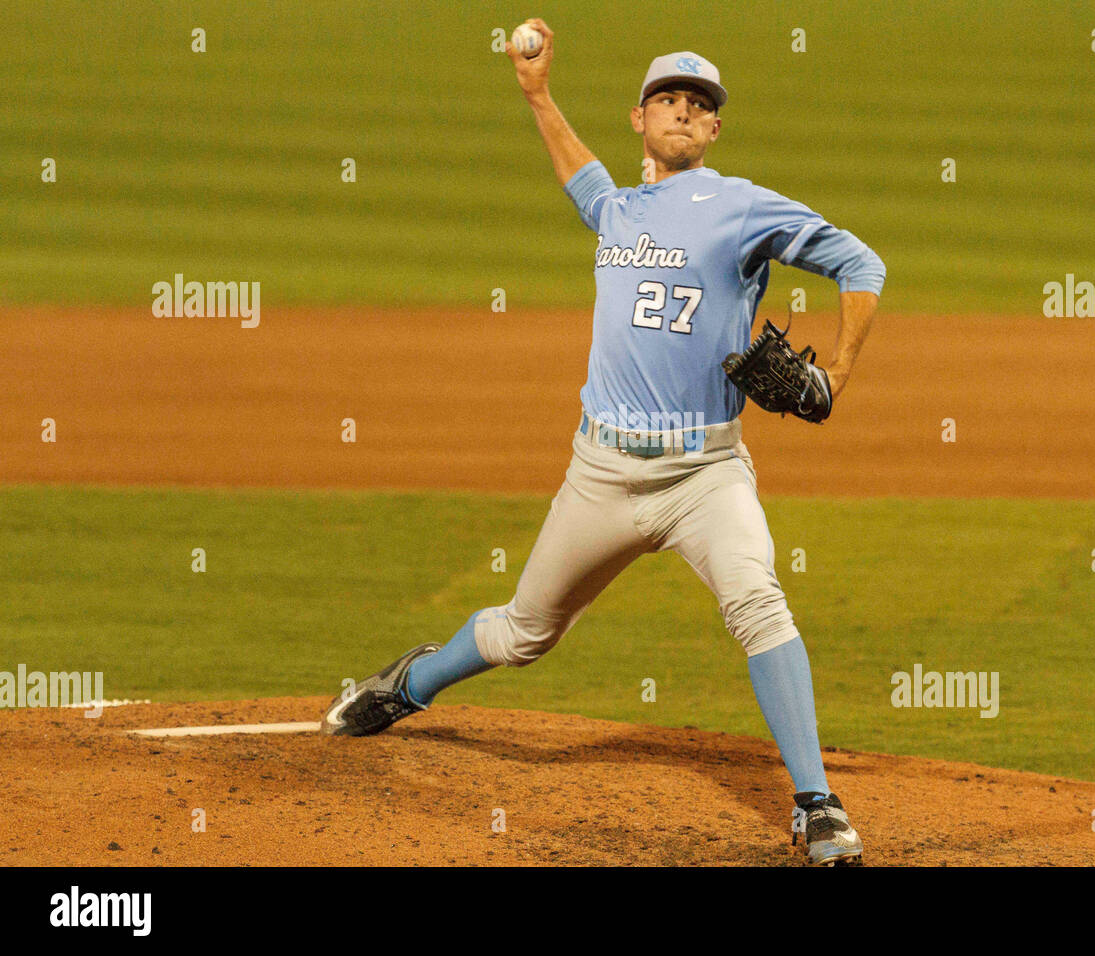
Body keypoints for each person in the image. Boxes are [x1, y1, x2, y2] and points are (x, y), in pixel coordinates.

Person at [321, 18, 885, 866]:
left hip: (706, 475)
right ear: (641, 119)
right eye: (670, 99)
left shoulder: (742, 203)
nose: (686, 112)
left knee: (759, 600)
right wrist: (537, 92)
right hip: (602, 473)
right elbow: (577, 174)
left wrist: (836, 375)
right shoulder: (617, 211)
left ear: (717, 128)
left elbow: (861, 264)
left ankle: (816, 805)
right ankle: (409, 685)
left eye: (701, 104)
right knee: (522, 634)